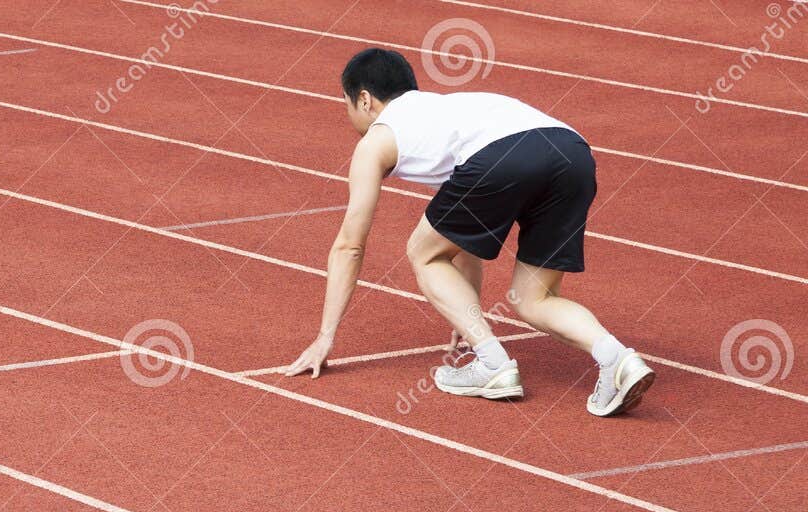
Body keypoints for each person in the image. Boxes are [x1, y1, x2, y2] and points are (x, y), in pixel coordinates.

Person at [277, 47, 654, 417]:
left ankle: (494, 364)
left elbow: (349, 247)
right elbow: (470, 241)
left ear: (364, 99)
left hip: (500, 157)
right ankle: (618, 359)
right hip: (572, 152)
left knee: (422, 252)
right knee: (533, 299)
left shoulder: (376, 140)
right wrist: (468, 317)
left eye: (345, 104)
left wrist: (326, 336)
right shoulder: (451, 112)